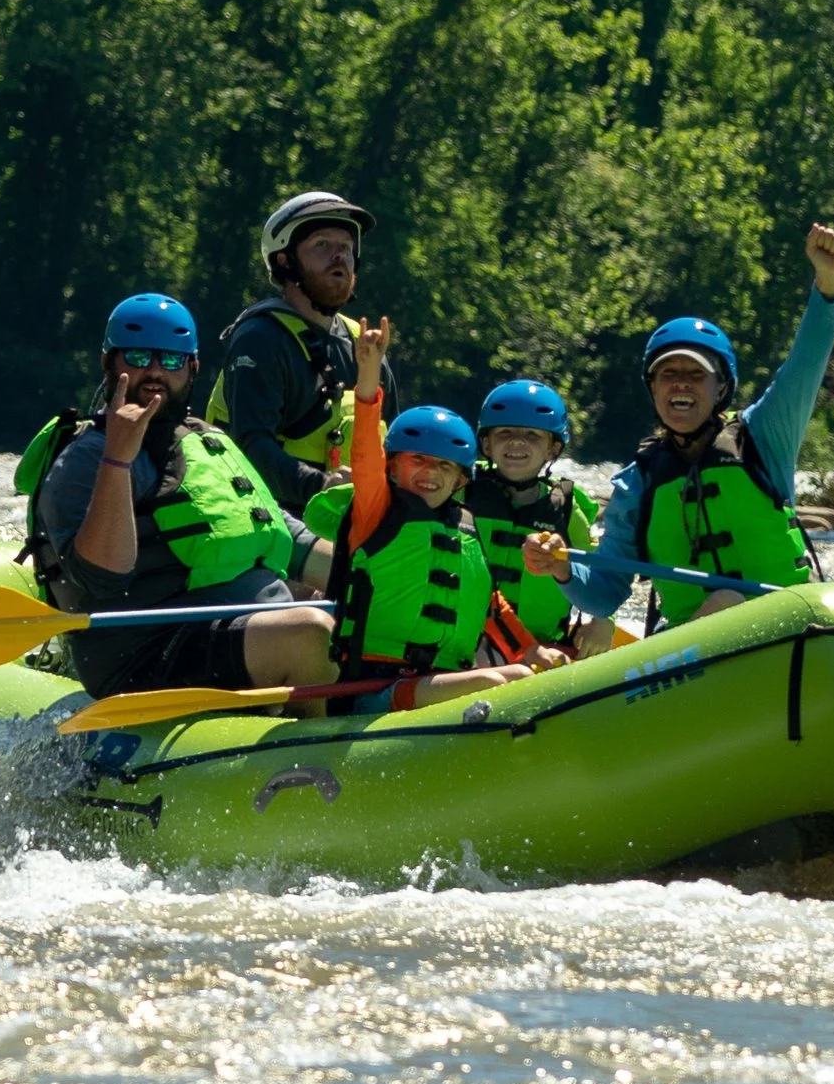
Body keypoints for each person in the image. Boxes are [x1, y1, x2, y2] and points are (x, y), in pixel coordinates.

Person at [523, 224, 834, 629]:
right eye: (668, 373)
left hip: (787, 629)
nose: (680, 382)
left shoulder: (763, 437)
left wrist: (828, 285)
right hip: (689, 661)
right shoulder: (638, 483)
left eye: (695, 374)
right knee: (726, 600)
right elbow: (604, 596)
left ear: (721, 389)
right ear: (653, 388)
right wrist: (563, 568)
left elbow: (805, 366)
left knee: (731, 599)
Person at [14, 293, 339, 705]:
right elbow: (101, 576)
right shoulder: (83, 460)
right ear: (108, 364)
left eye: (170, 361)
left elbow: (285, 535)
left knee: (359, 611)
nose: (154, 372)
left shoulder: (209, 441)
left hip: (242, 631)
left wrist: (374, 578)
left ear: (193, 368)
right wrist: (118, 456)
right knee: (311, 633)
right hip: (148, 653)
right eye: (137, 357)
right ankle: (319, 752)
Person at [301, 321, 541, 712]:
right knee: (491, 680)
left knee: (519, 676)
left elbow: (491, 607)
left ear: (461, 478)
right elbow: (363, 453)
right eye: (418, 460)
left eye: (444, 466)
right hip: (369, 688)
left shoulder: (464, 527)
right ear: (393, 466)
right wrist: (368, 375)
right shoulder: (377, 509)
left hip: (438, 682)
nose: (430, 473)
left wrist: (532, 651)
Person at [209, 191, 393, 509]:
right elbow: (251, 445)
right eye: (322, 244)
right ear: (284, 260)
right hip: (265, 511)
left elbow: (394, 444)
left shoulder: (363, 343)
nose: (339, 256)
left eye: (346, 248)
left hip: (347, 517)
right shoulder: (260, 338)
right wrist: (321, 486)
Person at [464, 381, 612, 659]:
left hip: (543, 646)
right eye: (504, 432)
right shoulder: (460, 493)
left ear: (552, 450)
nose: (516, 442)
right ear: (487, 444)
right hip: (469, 643)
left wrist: (604, 620)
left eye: (531, 435)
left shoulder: (567, 510)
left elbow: (599, 575)